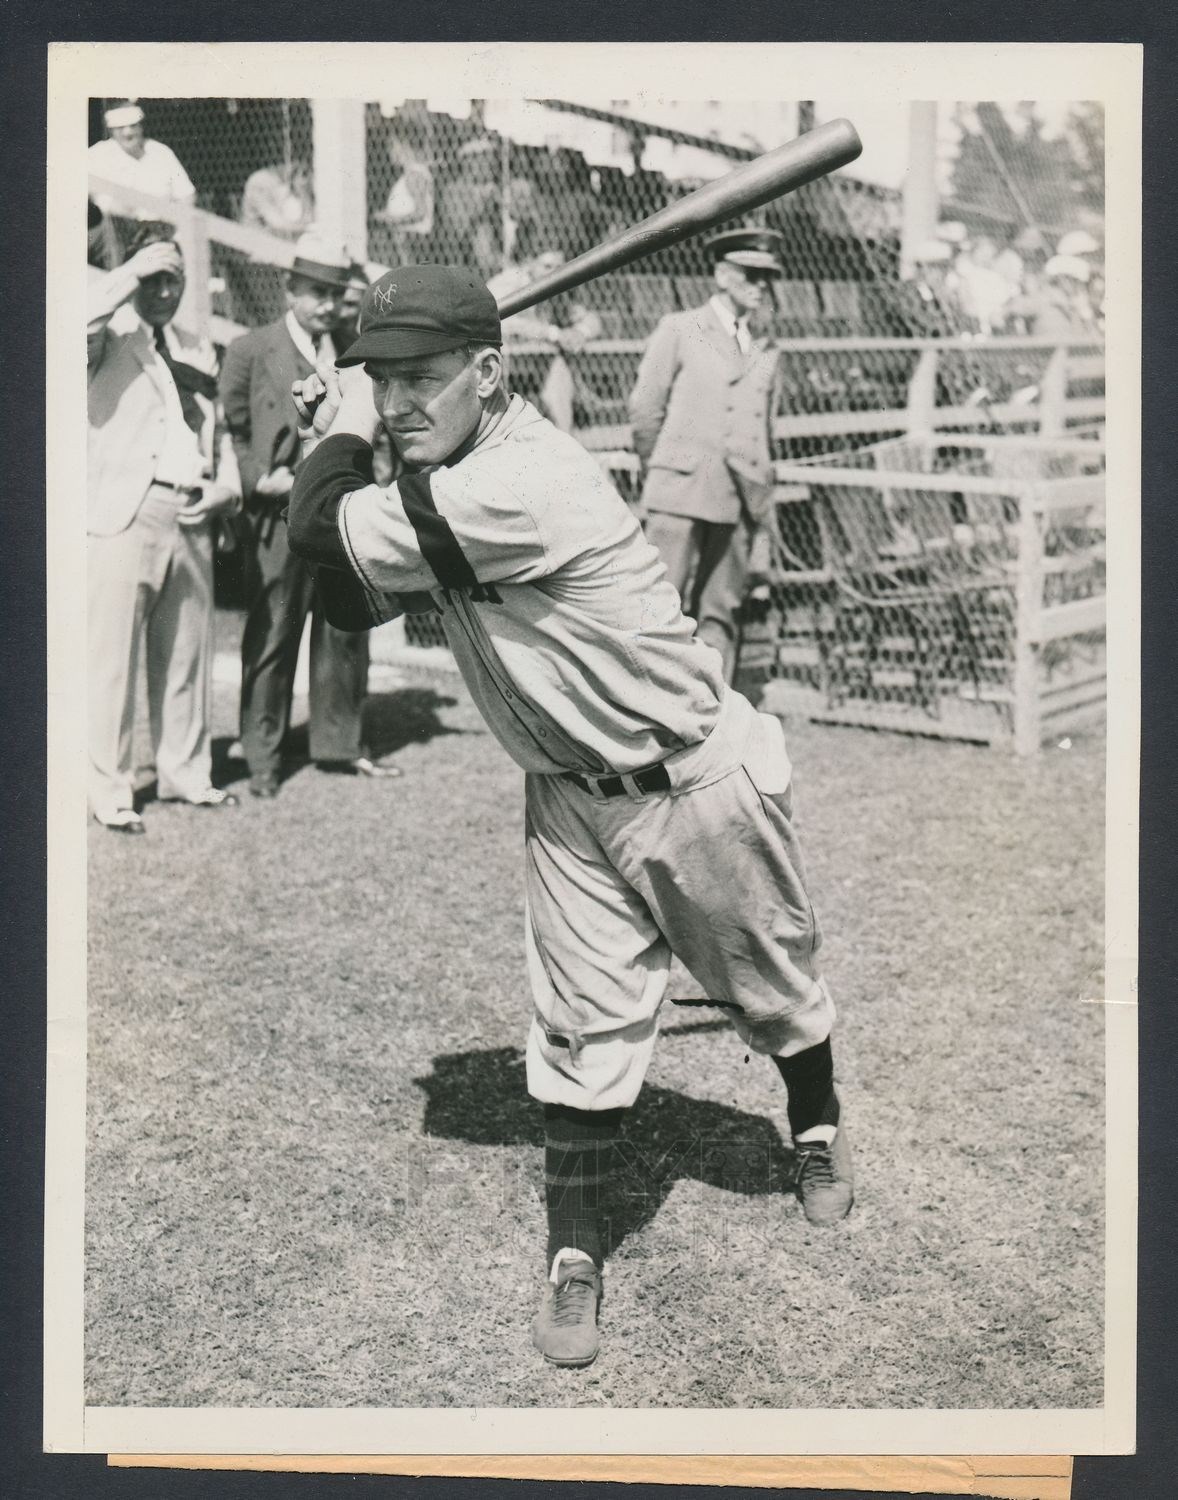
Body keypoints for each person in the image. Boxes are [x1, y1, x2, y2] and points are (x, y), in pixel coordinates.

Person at [285, 263, 853, 1371]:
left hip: (691, 777)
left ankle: (817, 1132)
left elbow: (318, 538)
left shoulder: (518, 485)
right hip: (567, 792)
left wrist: (341, 439)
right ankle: (571, 1254)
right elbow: (340, 590)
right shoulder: (446, 465)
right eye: (379, 378)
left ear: (489, 374)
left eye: (420, 378)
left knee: (775, 990)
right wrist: (343, 457)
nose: (398, 399)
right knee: (580, 1031)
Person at [219, 234, 400, 798]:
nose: (326, 303)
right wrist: (255, 479)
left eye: (335, 294)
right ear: (289, 288)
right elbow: (235, 428)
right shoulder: (251, 349)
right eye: (315, 291)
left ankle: (339, 743)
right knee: (273, 630)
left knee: (345, 626)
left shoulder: (354, 350)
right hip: (281, 513)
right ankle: (263, 758)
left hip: (344, 510)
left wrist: (382, 478)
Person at [87, 220, 241, 833]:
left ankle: (185, 774)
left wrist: (225, 489)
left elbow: (217, 431)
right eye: (152, 278)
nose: (162, 290)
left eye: (172, 278)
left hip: (193, 509)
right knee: (111, 661)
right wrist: (126, 275)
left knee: (186, 656)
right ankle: (110, 790)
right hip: (128, 513)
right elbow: (69, 325)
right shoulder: (105, 336)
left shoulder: (196, 345)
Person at [628, 227, 784, 684]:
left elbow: (764, 429)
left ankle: (712, 716)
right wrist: (665, 467)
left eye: (767, 277)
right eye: (750, 274)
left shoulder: (764, 346)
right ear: (721, 275)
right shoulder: (680, 328)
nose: (761, 286)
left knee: (720, 614)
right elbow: (645, 410)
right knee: (660, 608)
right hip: (680, 490)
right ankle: (647, 712)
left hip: (737, 497)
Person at [486, 247, 603, 432]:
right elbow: (499, 320)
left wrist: (580, 332)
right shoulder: (509, 280)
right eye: (547, 266)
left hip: (539, 359)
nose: (554, 272)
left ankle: (565, 436)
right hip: (499, 356)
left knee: (559, 367)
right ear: (529, 264)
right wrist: (554, 333)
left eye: (559, 266)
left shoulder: (558, 285)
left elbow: (591, 319)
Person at [88, 102, 196, 210]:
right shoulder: (97, 155)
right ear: (111, 131)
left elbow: (186, 195)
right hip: (118, 223)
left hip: (163, 222)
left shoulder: (161, 152)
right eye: (120, 127)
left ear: (141, 127)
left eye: (133, 126)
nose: (128, 132)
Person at [239, 158, 316, 240]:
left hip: (284, 239)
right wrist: (308, 226)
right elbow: (277, 223)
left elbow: (308, 217)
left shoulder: (295, 184)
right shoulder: (260, 181)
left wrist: (303, 193)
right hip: (257, 241)